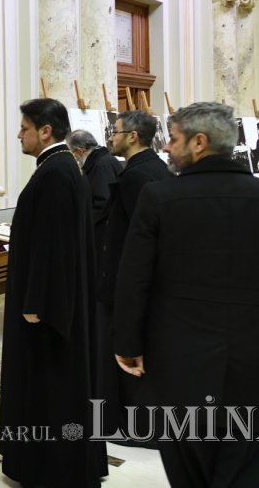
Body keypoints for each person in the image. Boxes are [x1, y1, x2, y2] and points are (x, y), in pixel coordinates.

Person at [114, 102, 259, 486]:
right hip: (255, 363)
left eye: (173, 139)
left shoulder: (159, 199)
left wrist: (129, 343)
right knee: (247, 465)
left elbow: (134, 280)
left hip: (180, 364)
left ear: (199, 142)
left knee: (188, 466)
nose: (166, 148)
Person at [0, 98, 107, 487]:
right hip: (52, 303)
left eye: (24, 128)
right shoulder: (61, 168)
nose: (18, 134)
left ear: (45, 131)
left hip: (45, 311)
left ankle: (51, 465)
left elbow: (53, 247)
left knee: (52, 389)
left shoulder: (56, 174)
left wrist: (35, 304)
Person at [92, 109, 172, 446]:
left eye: (117, 131)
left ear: (133, 137)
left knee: (124, 351)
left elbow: (133, 238)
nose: (111, 136)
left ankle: (134, 426)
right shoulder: (153, 169)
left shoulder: (138, 177)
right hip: (139, 281)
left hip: (127, 281)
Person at [67, 129, 123, 224]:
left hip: (104, 229)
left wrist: (84, 224)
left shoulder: (100, 165)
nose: (74, 157)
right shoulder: (104, 159)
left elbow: (102, 202)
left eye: (73, 153)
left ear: (80, 150)